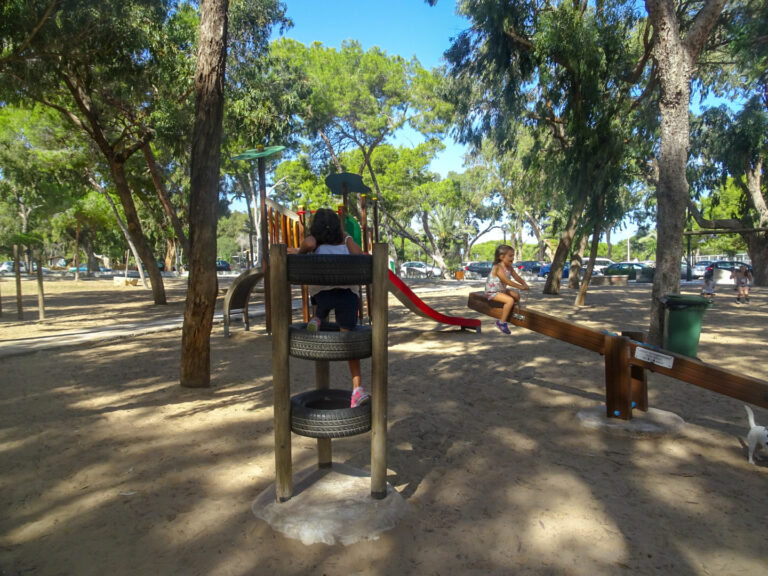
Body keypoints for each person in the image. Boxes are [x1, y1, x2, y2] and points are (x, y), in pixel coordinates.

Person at [294, 208, 370, 407]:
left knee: (320, 299)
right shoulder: (345, 241)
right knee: (348, 340)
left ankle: (317, 317)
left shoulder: (315, 242)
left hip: (323, 294)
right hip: (347, 296)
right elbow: (360, 255)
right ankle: (357, 389)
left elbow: (308, 244)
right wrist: (346, 238)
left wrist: (302, 250)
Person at [485, 244, 530, 334]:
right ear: (502, 257)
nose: (513, 258)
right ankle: (501, 323)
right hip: (492, 292)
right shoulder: (497, 267)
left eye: (513, 255)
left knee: (516, 295)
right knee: (510, 300)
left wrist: (524, 284)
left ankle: (514, 314)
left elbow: (517, 277)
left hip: (501, 290)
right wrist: (521, 287)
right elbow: (507, 281)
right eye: (510, 256)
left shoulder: (509, 267)